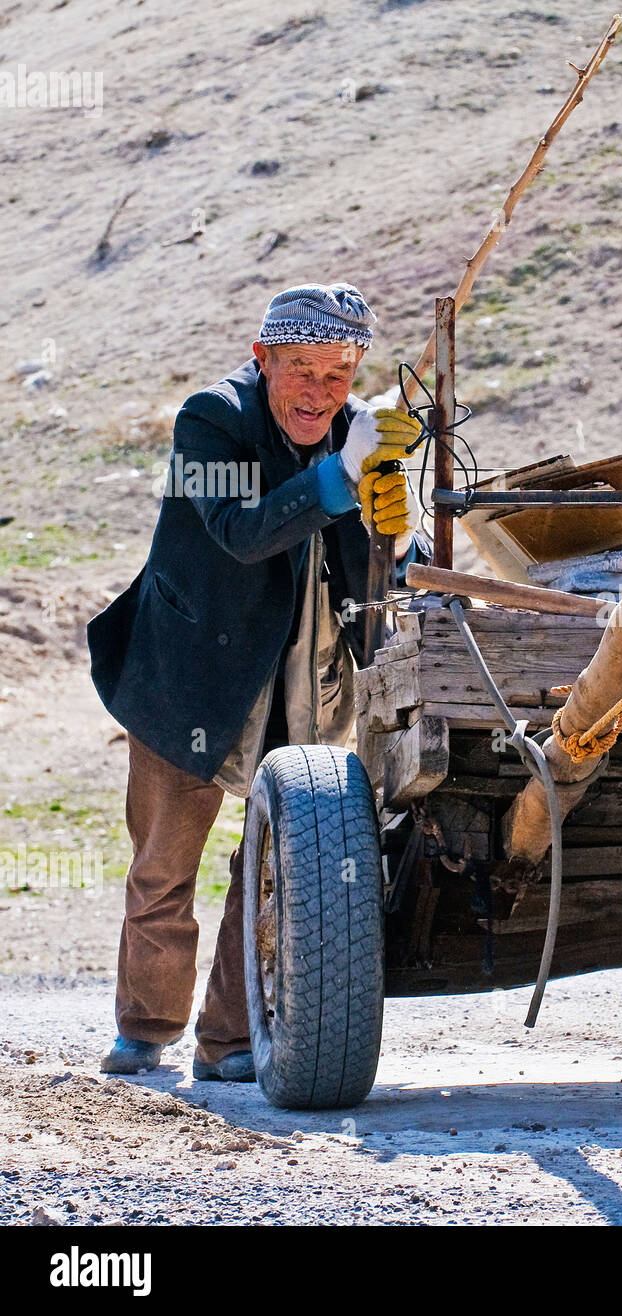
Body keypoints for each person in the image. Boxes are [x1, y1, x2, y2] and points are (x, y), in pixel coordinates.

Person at [88, 283, 420, 1080]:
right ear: (261, 355)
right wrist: (340, 476)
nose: (318, 392)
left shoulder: (353, 433)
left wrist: (394, 531)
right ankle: (146, 1026)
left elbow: (375, 570)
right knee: (164, 864)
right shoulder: (209, 421)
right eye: (300, 368)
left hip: (303, 675)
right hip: (191, 672)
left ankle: (229, 1039)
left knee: (271, 867)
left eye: (337, 375)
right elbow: (240, 534)